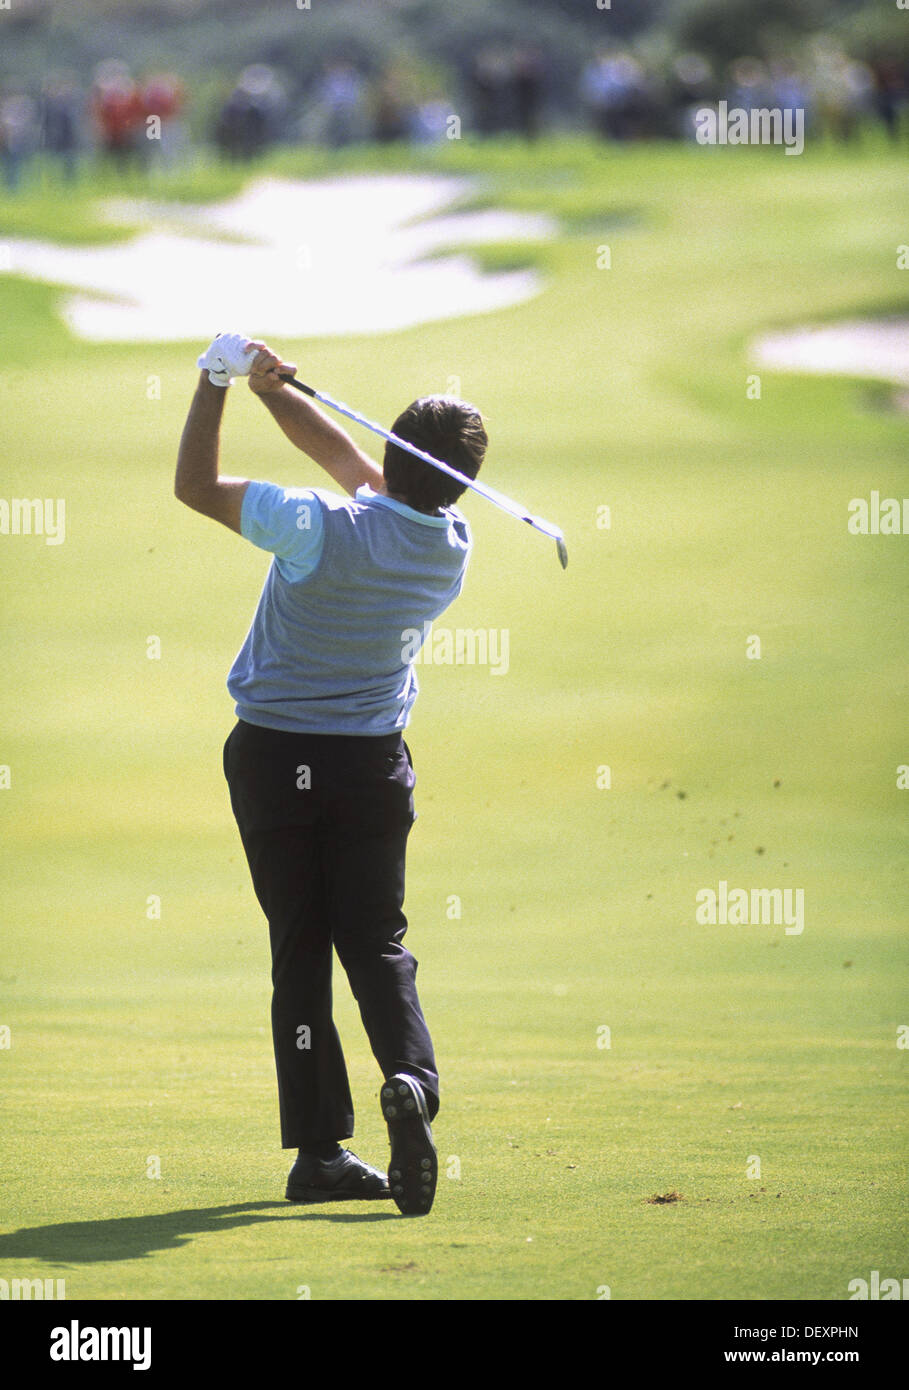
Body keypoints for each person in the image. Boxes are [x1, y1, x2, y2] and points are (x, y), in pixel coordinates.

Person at [174, 334, 487, 1215]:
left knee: (300, 953)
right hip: (371, 766)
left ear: (394, 457)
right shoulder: (449, 547)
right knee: (377, 943)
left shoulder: (316, 526)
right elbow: (353, 464)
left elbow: (195, 488)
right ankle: (412, 1084)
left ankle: (320, 1153)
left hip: (275, 759)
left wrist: (215, 382)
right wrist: (274, 391)